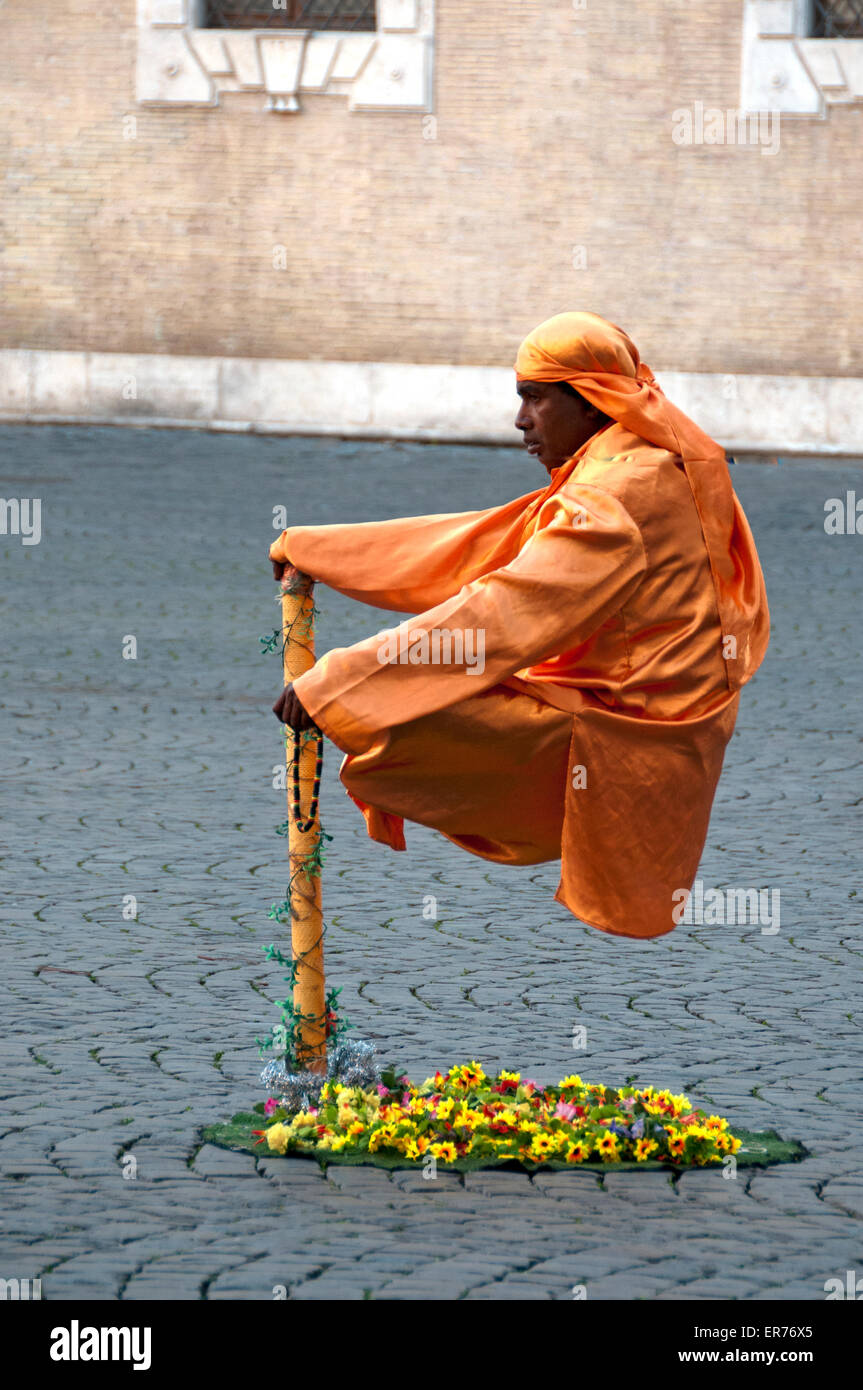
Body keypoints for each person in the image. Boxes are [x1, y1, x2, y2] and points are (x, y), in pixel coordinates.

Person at [270, 311, 769, 939]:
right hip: (651, 719)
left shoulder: (615, 494)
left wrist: (339, 684)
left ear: (593, 402)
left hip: (625, 735)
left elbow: (502, 611)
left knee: (400, 720)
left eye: (535, 398)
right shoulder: (639, 459)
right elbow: (485, 545)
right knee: (395, 705)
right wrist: (317, 549)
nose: (520, 420)